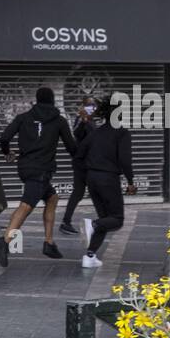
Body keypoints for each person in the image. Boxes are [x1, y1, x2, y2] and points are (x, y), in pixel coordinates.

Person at [0, 86, 76, 266]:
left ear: (36, 100)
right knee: (26, 205)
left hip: (26, 167)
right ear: (52, 100)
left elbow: (4, 137)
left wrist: (7, 152)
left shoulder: (23, 118)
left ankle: (49, 242)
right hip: (42, 170)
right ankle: (5, 241)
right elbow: (71, 147)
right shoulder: (59, 121)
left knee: (52, 198)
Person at [73, 98, 136, 269]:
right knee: (117, 219)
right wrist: (130, 181)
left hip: (92, 180)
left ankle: (90, 256)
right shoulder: (121, 132)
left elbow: (79, 155)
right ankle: (91, 225)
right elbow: (125, 159)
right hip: (108, 179)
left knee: (105, 218)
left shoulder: (96, 132)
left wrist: (87, 175)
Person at [59, 95, 97, 236]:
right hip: (84, 164)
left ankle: (66, 222)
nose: (92, 108)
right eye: (89, 105)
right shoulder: (81, 121)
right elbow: (80, 135)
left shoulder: (90, 120)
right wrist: (84, 121)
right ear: (82, 106)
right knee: (90, 192)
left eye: (93, 105)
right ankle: (104, 222)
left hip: (87, 162)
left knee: (80, 193)